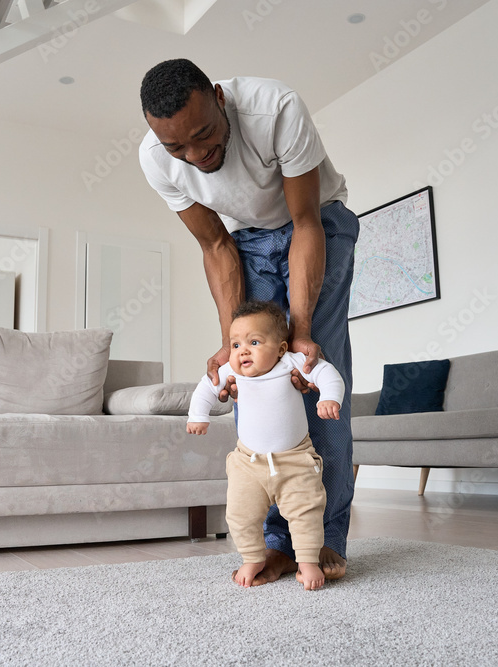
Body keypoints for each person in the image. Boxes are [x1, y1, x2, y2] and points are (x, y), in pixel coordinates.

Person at [139, 59, 359, 585]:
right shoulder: (157, 161)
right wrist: (229, 345)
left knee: (313, 367)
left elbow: (304, 221)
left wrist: (298, 331)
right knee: (256, 373)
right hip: (247, 241)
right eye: (178, 148)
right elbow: (215, 245)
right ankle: (278, 545)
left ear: (218, 97)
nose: (195, 156)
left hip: (317, 220)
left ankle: (324, 537)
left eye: (204, 135)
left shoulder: (275, 108)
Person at [187, 301, 344, 591]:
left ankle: (308, 561)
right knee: (240, 513)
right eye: (235, 344)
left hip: (296, 460)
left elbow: (326, 373)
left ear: (281, 349)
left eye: (254, 342)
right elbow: (205, 387)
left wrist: (328, 397)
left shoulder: (292, 363)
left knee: (306, 512)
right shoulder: (231, 371)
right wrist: (199, 415)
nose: (242, 351)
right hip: (249, 462)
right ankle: (253, 558)